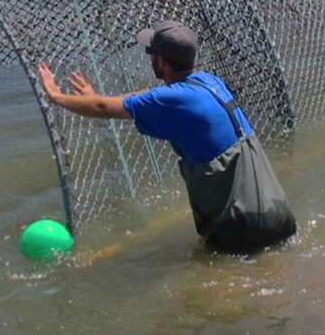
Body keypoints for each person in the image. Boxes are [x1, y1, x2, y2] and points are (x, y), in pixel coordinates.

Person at [36, 20, 296, 253]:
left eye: (151, 53)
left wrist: (57, 97)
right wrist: (96, 97)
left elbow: (106, 109)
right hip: (277, 212)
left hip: (241, 227)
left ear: (160, 61)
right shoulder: (209, 81)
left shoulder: (170, 99)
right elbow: (148, 97)